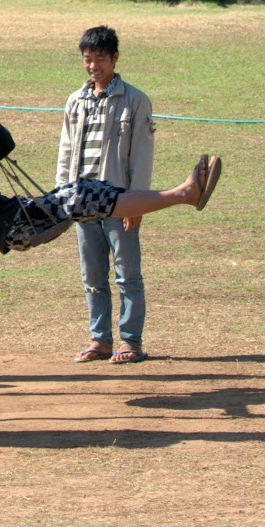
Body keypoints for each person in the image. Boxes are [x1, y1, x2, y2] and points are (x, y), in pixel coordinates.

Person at [0, 92, 221, 258]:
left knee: (88, 190)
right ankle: (183, 194)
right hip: (13, 229)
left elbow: (3, 145)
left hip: (21, 216)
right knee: (79, 194)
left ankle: (183, 194)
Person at [57, 25, 155, 366]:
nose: (93, 66)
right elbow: (66, 152)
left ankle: (131, 341)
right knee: (93, 276)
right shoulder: (75, 101)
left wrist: (137, 201)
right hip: (82, 202)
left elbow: (141, 154)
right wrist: (62, 197)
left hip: (119, 201)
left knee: (127, 274)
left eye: (100, 58)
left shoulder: (135, 99)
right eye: (88, 59)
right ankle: (99, 339)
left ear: (115, 58)